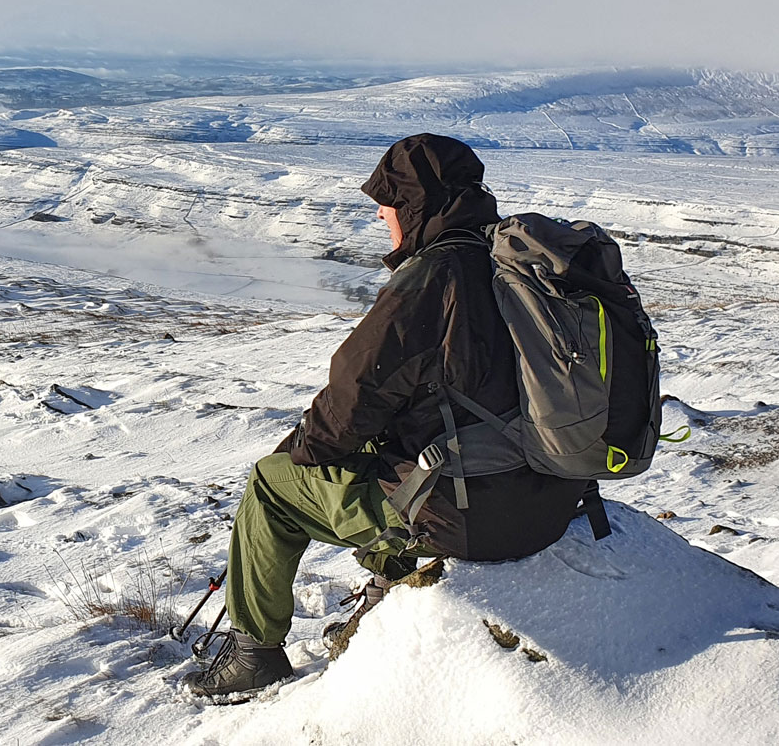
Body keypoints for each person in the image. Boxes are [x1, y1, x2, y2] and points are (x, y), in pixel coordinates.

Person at [185, 133, 593, 698]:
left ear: (415, 204)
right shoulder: (517, 266)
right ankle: (382, 609)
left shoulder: (434, 277)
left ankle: (254, 657)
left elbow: (351, 401)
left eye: (388, 204)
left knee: (273, 487)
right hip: (554, 496)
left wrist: (301, 451)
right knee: (399, 460)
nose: (381, 216)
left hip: (477, 516)